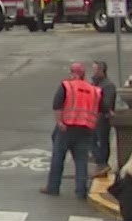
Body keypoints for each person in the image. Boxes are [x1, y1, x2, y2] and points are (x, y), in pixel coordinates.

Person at [43, 62, 100, 199]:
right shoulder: (93, 90)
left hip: (66, 128)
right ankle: (81, 191)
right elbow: (102, 107)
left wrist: (59, 122)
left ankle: (53, 187)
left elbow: (57, 104)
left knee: (58, 158)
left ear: (72, 73)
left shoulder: (67, 86)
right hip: (85, 129)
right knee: (81, 161)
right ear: (84, 75)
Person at [90, 61, 118, 172]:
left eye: (95, 70)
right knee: (91, 141)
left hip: (102, 118)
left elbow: (107, 104)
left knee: (102, 141)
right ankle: (99, 160)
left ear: (102, 71)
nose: (93, 72)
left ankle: (102, 163)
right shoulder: (94, 84)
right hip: (93, 117)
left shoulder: (108, 86)